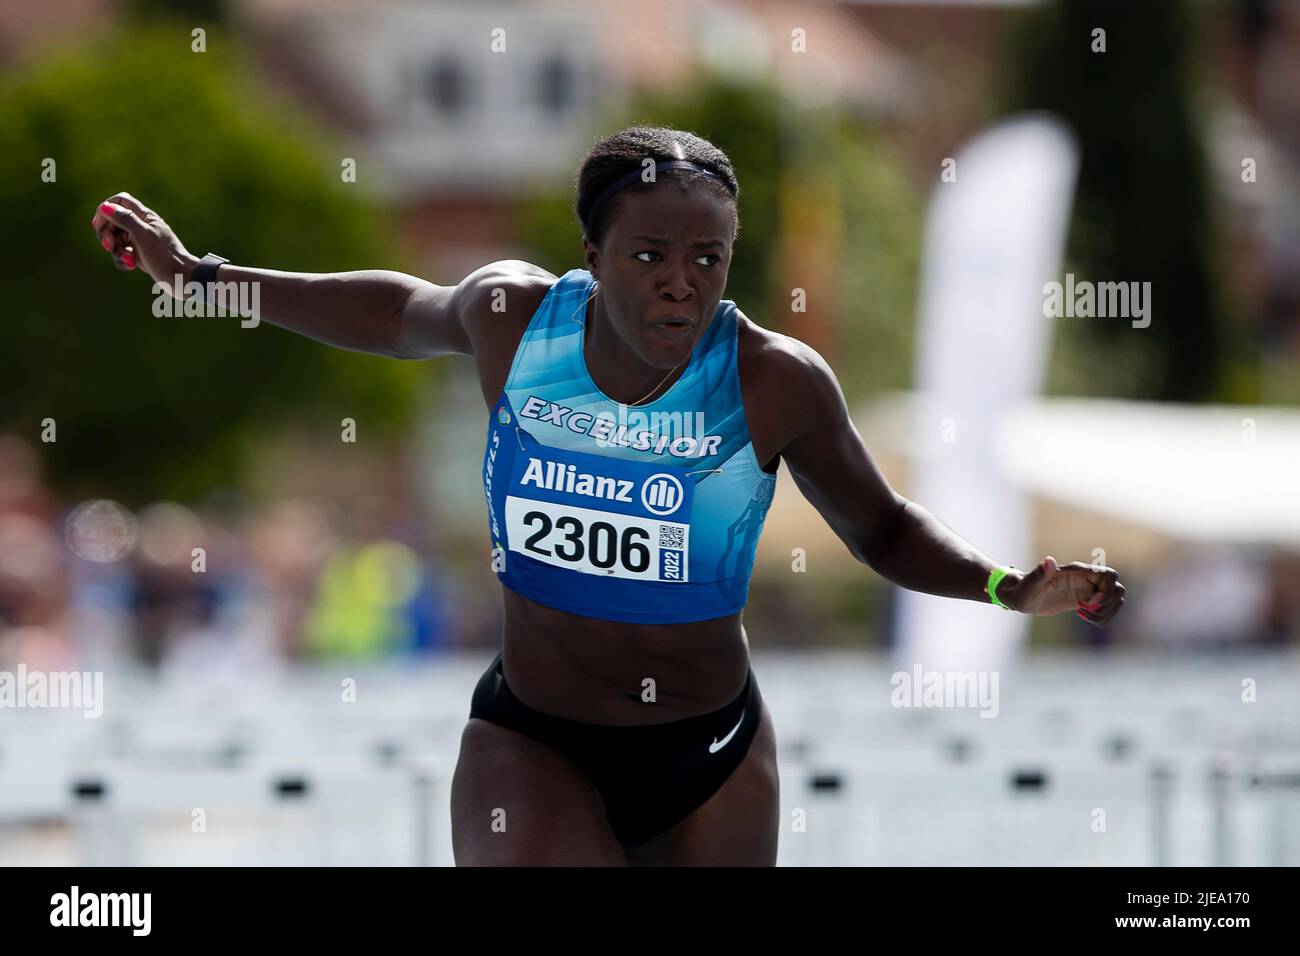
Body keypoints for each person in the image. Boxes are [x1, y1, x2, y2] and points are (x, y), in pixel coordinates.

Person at [91, 126, 1126, 866]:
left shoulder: (774, 381)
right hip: (534, 738)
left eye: (707, 259)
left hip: (711, 750)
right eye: (650, 255)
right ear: (590, 255)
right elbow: (389, 308)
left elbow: (883, 526)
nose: (681, 282)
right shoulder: (513, 318)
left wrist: (1004, 586)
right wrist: (200, 277)